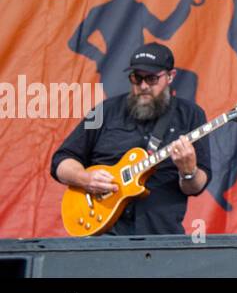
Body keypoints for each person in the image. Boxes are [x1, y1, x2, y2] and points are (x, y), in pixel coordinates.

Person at [51, 43, 212, 235]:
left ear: (170, 76)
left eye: (151, 79)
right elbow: (61, 161)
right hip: (103, 233)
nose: (143, 86)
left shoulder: (191, 115)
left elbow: (196, 187)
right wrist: (85, 178)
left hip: (159, 234)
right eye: (137, 78)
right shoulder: (103, 111)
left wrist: (188, 171)